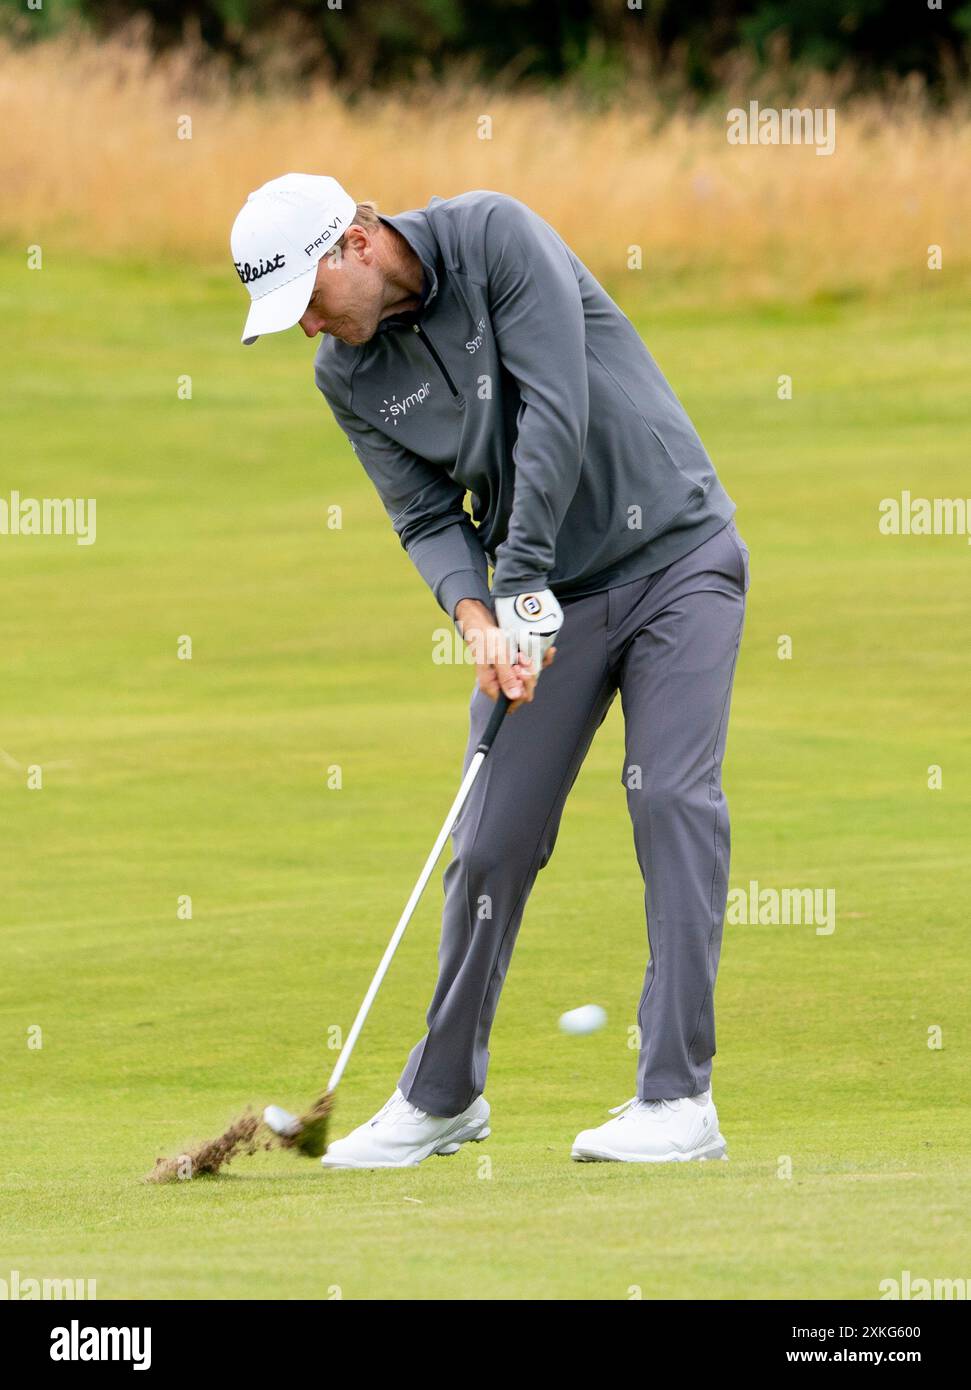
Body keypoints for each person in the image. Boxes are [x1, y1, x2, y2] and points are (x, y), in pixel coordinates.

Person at [231, 173, 749, 1167]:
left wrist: (514, 591)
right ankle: (441, 1096)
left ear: (355, 243)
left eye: (307, 300)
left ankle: (678, 1098)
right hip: (544, 597)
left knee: (670, 800)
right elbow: (424, 517)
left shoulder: (496, 237)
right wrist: (477, 616)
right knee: (488, 839)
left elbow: (554, 408)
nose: (306, 329)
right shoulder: (346, 376)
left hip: (676, 557)